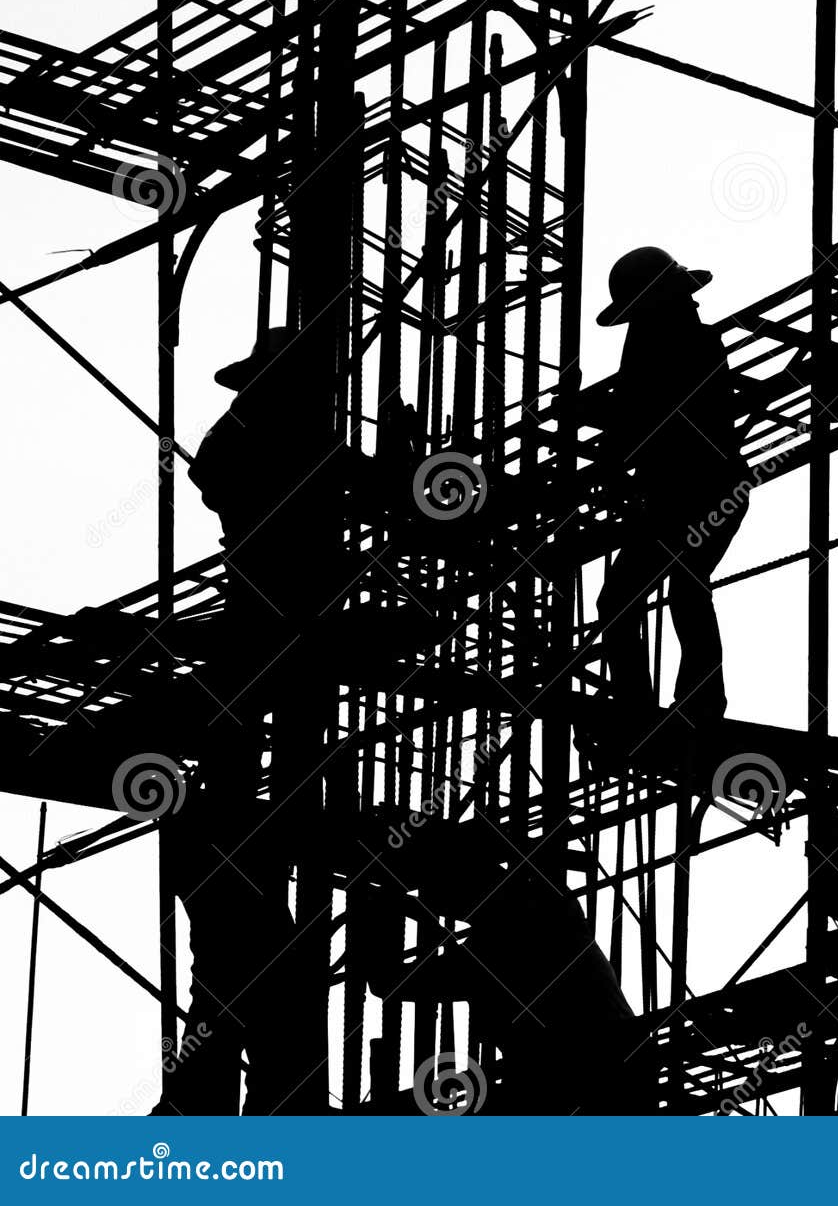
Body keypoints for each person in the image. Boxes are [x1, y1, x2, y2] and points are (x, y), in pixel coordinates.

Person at [158, 325, 379, 1115]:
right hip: (275, 603)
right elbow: (220, 472)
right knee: (247, 1003)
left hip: (282, 607)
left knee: (238, 1004)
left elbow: (353, 480)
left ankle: (230, 1116)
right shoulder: (270, 429)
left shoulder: (282, 431)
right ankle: (239, 1118)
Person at [366, 821, 656, 1114]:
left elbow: (387, 983)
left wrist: (383, 913)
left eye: (436, 888)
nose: (434, 899)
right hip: (610, 1065)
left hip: (585, 1071)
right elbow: (391, 983)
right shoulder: (549, 904)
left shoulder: (505, 937)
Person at [589, 248, 756, 730]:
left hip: (695, 491)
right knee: (682, 587)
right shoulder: (671, 338)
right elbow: (636, 414)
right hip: (702, 490)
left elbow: (636, 416)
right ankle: (692, 704)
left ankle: (662, 705)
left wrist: (614, 460)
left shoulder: (669, 344)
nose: (694, 302)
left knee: (644, 594)